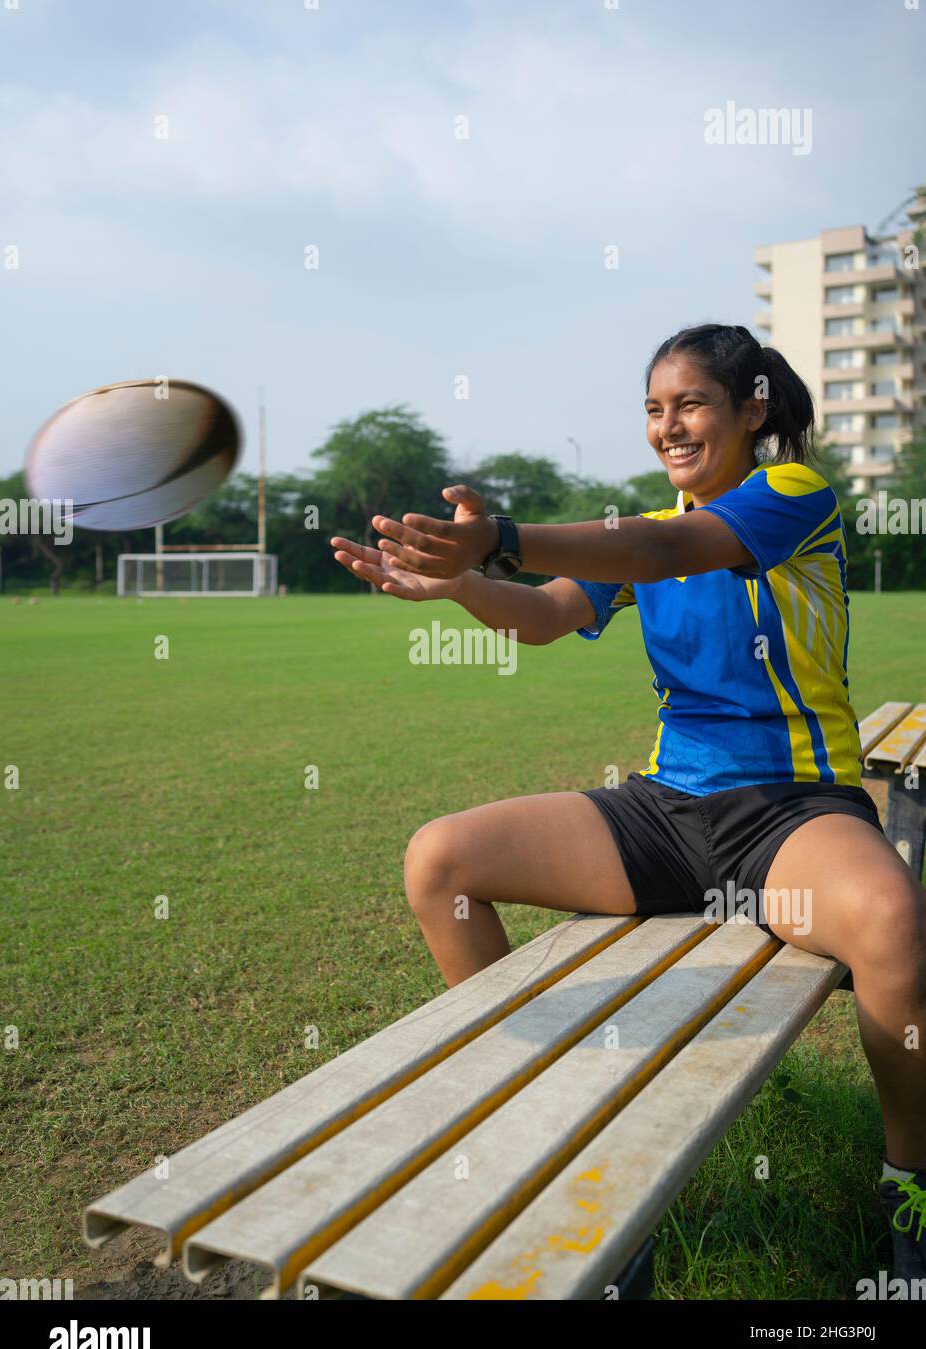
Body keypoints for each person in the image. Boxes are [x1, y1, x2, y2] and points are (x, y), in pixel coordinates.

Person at [330, 322, 926, 1286]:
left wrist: (508, 536)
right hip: (665, 810)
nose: (669, 426)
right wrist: (460, 582)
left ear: (749, 411)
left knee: (893, 922)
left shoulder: (788, 497)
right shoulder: (636, 535)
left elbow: (662, 548)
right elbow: (547, 615)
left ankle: (911, 1179)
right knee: (440, 860)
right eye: (654, 410)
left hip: (790, 813)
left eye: (690, 404)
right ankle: (566, 1159)